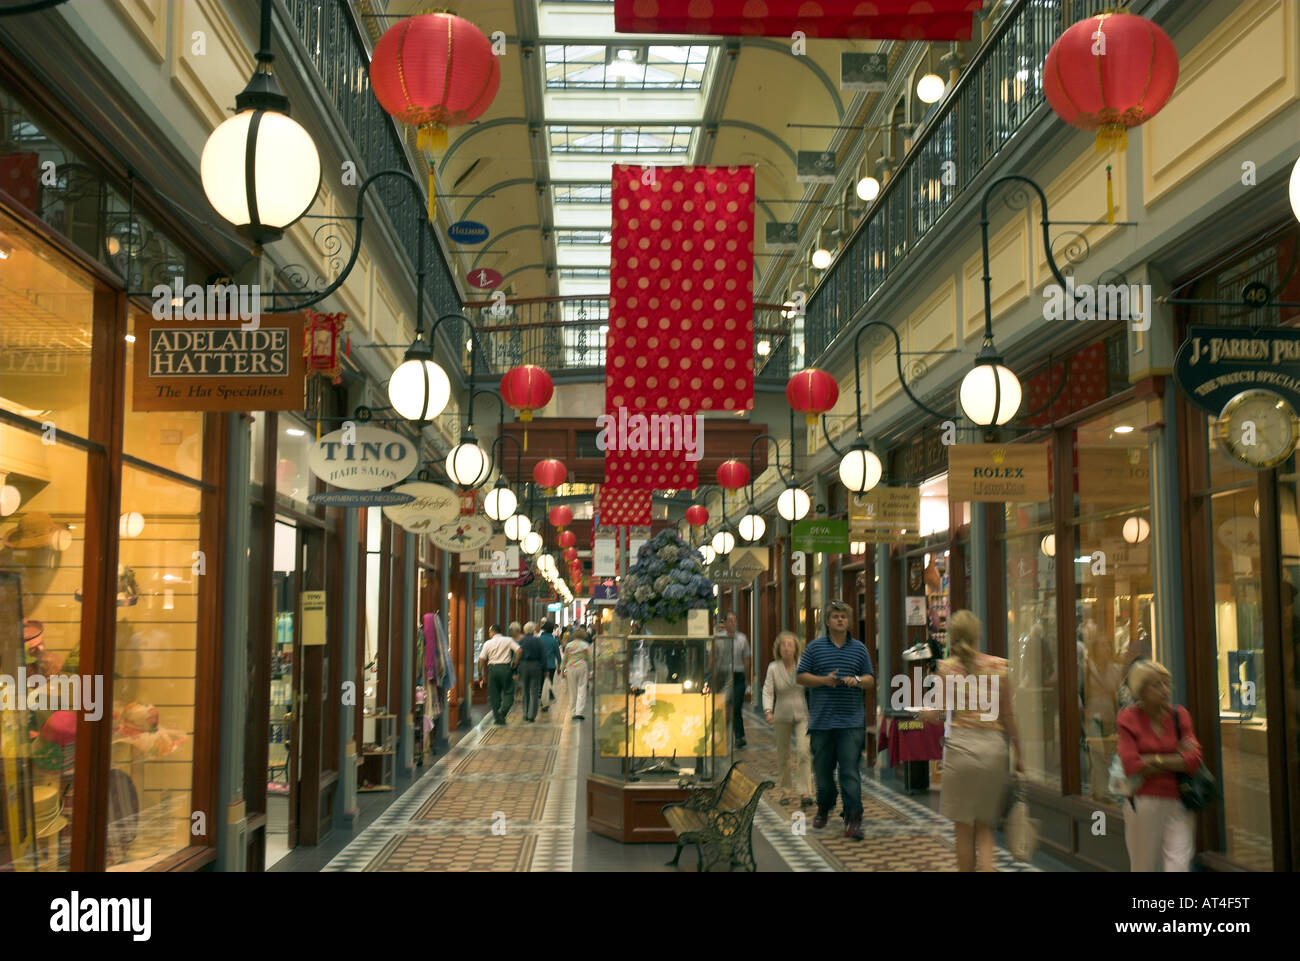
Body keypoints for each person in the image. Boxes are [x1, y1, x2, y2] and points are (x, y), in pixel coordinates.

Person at [930, 610, 1021, 872]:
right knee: (985, 827)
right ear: (977, 635)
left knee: (963, 829)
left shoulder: (946, 669)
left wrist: (920, 714)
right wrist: (1021, 754)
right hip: (993, 750)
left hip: (961, 750)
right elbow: (1008, 716)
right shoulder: (999, 667)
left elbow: (938, 714)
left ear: (953, 637)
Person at [796, 600, 875, 840]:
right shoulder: (814, 648)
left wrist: (858, 681)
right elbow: (800, 677)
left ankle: (853, 818)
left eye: (843, 616)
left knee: (850, 771)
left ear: (849, 621)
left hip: (851, 721)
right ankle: (824, 805)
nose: (840, 620)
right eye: (836, 617)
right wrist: (823, 680)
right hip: (822, 721)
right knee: (822, 772)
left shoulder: (860, 649)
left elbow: (871, 679)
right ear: (827, 621)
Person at [1117, 660, 1203, 872]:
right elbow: (1131, 765)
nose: (1165, 690)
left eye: (1167, 684)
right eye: (1157, 685)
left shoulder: (1179, 716)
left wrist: (1151, 760)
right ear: (1142, 690)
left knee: (1179, 865)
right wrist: (1175, 758)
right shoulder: (1128, 718)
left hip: (1180, 801)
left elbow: (1193, 760)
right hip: (1143, 803)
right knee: (1144, 866)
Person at [763, 630, 813, 806]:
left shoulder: (803, 665)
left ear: (795, 648)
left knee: (803, 751)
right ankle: (785, 791)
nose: (786, 648)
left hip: (802, 714)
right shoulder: (773, 668)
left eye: (790, 645)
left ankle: (805, 791)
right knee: (783, 754)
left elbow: (811, 686)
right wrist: (768, 711)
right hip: (781, 714)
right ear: (779, 648)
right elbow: (768, 690)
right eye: (783, 645)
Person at [477, 624, 520, 726]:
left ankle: (497, 719)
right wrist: (515, 662)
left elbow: (481, 659)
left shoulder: (487, 643)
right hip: (505, 668)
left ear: (492, 632)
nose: (489, 634)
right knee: (509, 692)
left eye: (489, 632)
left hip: (493, 670)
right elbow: (519, 650)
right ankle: (503, 712)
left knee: (494, 695)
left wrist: (480, 674)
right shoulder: (508, 640)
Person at [725, 613, 750, 749]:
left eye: (734, 621)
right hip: (724, 675)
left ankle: (739, 736)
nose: (732, 623)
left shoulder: (742, 639)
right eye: (730, 621)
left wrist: (747, 677)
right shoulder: (719, 638)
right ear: (725, 622)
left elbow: (746, 658)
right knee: (724, 707)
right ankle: (722, 736)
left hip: (738, 676)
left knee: (736, 706)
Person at [561, 626, 594, 720]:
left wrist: (562, 670)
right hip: (582, 666)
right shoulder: (585, 645)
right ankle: (579, 712)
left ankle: (572, 711)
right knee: (582, 688)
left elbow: (565, 658)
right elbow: (590, 659)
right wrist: (591, 670)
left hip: (570, 667)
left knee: (572, 690)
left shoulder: (569, 645)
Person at [518, 620, 545, 722]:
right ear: (533, 630)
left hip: (523, 665)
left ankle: (525, 713)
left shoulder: (521, 641)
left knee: (525, 690)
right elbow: (543, 655)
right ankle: (531, 715)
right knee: (534, 691)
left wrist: (516, 670)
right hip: (535, 665)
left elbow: (517, 654)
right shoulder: (538, 641)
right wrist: (545, 669)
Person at [538, 620, 562, 712]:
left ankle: (542, 701)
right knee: (548, 683)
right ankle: (546, 702)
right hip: (551, 666)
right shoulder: (553, 641)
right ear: (552, 630)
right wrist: (559, 667)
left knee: (541, 684)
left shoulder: (539, 639)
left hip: (540, 666)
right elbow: (558, 656)